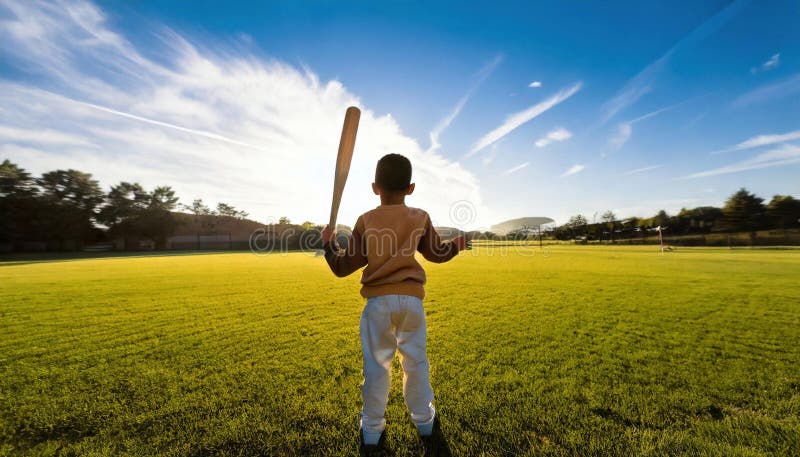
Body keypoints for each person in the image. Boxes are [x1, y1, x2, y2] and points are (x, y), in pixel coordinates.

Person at [321, 153, 469, 449]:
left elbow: (342, 268)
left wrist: (328, 244)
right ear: (411, 188)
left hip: (377, 304)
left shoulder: (365, 220)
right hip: (412, 303)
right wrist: (456, 245)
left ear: (375, 187)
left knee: (377, 366)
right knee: (416, 362)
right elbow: (436, 254)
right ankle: (424, 421)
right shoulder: (420, 216)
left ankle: (372, 428)